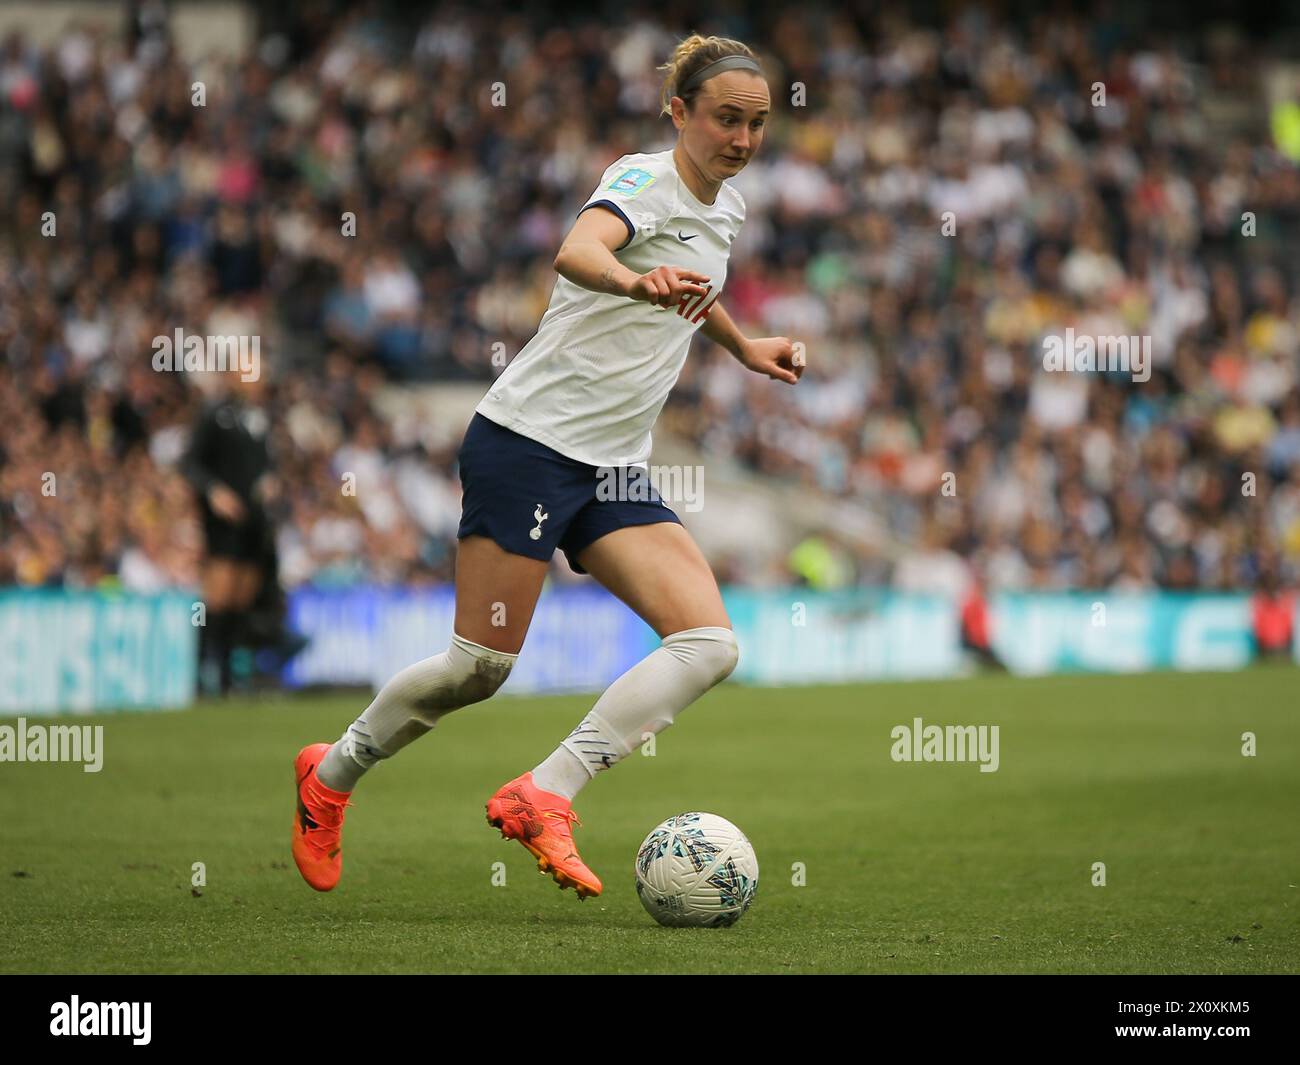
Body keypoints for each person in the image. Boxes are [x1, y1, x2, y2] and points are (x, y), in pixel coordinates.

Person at [291, 34, 804, 899]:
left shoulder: (727, 209)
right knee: (477, 670)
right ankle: (331, 776)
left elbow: (696, 287)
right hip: (528, 445)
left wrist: (743, 346)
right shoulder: (643, 179)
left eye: (756, 124)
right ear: (678, 112)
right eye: (726, 119)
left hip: (610, 467)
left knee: (710, 642)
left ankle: (545, 792)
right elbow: (577, 251)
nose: (743, 140)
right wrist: (631, 285)